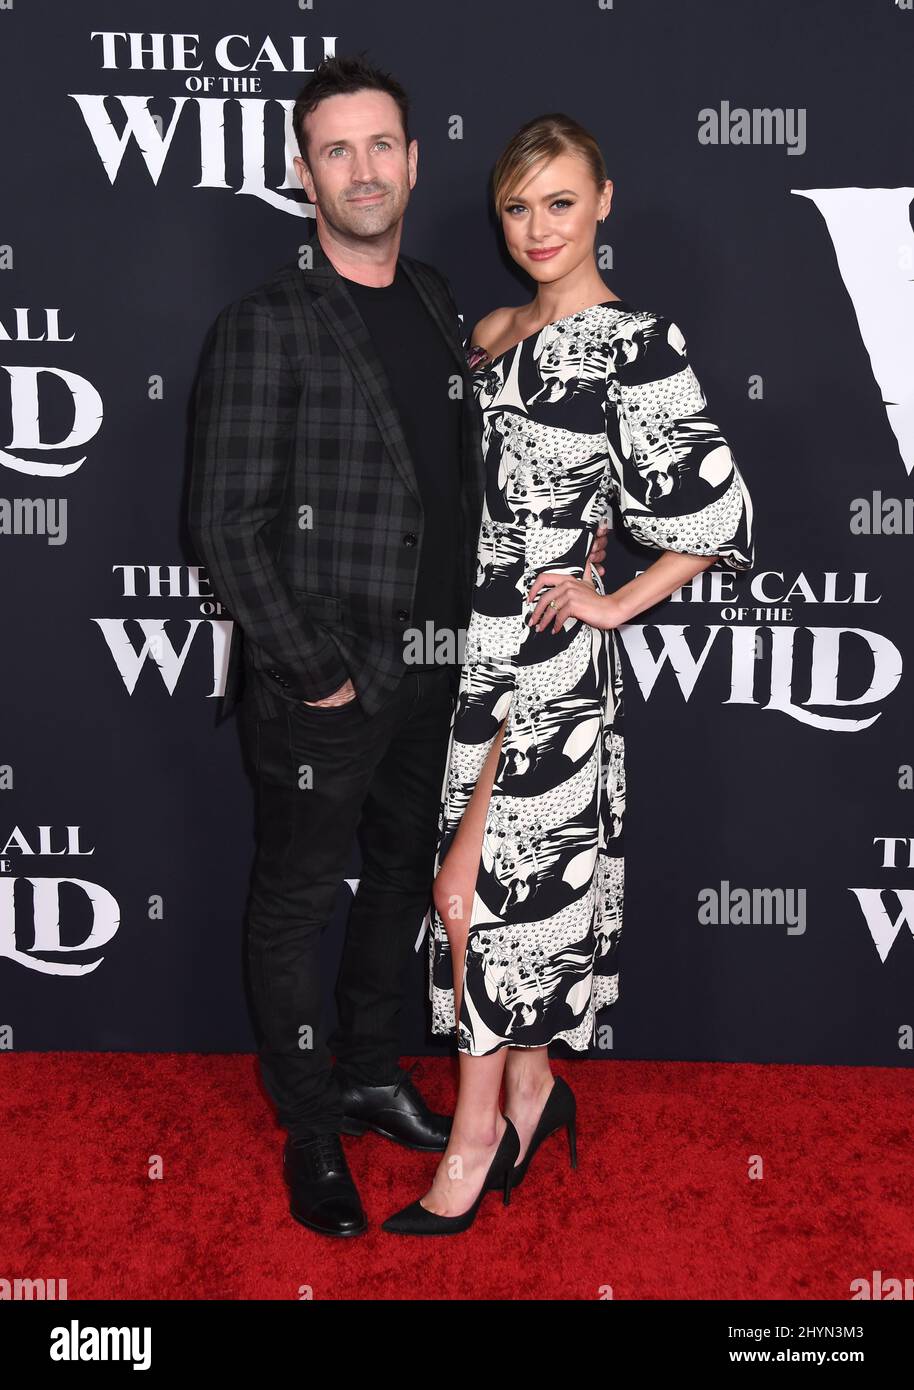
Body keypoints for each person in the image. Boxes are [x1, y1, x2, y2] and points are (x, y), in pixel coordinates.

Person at [187, 60, 609, 1238]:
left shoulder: (433, 298)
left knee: (395, 899)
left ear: (414, 163)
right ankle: (311, 1116)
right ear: (301, 172)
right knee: (296, 901)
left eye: (383, 147)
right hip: (322, 687)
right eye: (336, 150)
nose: (363, 170)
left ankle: (373, 1068)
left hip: (442, 672)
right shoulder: (264, 323)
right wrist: (312, 669)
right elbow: (220, 525)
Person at [382, 112, 755, 1234]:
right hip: (465, 659)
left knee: (474, 899)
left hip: (546, 666)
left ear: (602, 202)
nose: (536, 225)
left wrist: (610, 597)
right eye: (515, 204)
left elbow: (712, 513)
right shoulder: (491, 330)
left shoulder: (636, 343)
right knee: (504, 906)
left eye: (558, 201)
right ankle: (535, 1087)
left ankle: (474, 1136)